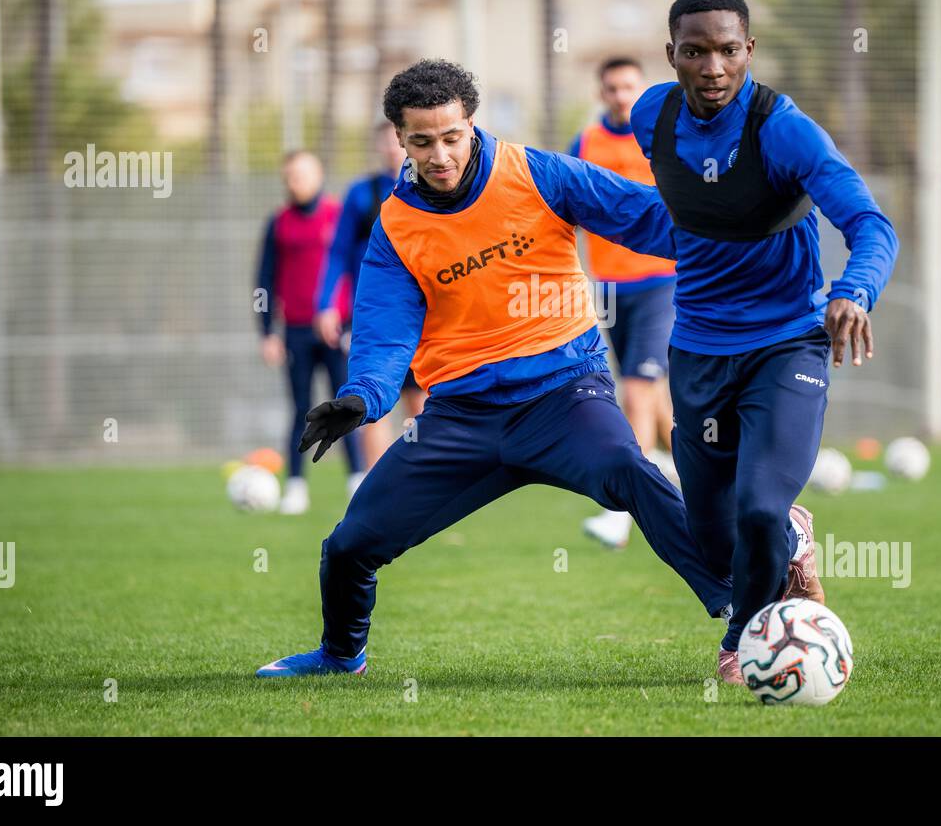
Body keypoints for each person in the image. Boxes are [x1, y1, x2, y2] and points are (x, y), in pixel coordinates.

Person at [256, 59, 731, 678]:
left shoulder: (537, 173)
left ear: (471, 124)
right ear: (399, 139)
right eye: (422, 141)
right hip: (460, 418)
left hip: (566, 396)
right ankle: (341, 656)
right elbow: (384, 334)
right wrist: (363, 397)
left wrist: (732, 225)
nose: (440, 155)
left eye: (451, 137)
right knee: (349, 545)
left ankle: (744, 613)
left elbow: (646, 218)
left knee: (627, 469)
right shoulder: (396, 227)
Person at [630, 0, 899, 685]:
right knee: (714, 537)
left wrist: (853, 292)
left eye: (728, 50)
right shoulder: (649, 116)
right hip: (696, 348)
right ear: (673, 56)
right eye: (695, 51)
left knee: (756, 510)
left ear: (748, 51)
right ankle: (794, 542)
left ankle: (742, 641)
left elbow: (871, 226)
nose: (713, 66)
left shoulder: (784, 130)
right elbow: (685, 210)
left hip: (788, 343)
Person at [569, 56, 679, 550]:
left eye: (629, 86)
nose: (621, 95)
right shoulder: (586, 144)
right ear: (601, 92)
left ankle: (622, 513)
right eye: (612, 88)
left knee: (636, 386)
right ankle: (714, 476)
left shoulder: (662, 137)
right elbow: (563, 205)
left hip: (662, 280)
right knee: (653, 398)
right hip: (610, 287)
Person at [314, 121, 424, 483]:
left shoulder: (430, 189)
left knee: (418, 399)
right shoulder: (361, 194)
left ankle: (417, 476)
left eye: (401, 142)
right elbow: (338, 252)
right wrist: (326, 304)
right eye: (388, 143)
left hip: (422, 315)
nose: (395, 149)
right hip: (372, 316)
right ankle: (377, 482)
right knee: (370, 400)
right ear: (381, 147)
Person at [255, 150, 364, 514]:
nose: (295, 182)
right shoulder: (279, 222)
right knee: (301, 408)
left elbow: (357, 270)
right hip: (297, 332)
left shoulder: (339, 216)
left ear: (318, 176)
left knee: (346, 405)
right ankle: (297, 486)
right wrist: (268, 332)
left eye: (302, 174)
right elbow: (264, 279)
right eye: (289, 176)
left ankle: (357, 481)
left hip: (337, 330)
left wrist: (353, 323)